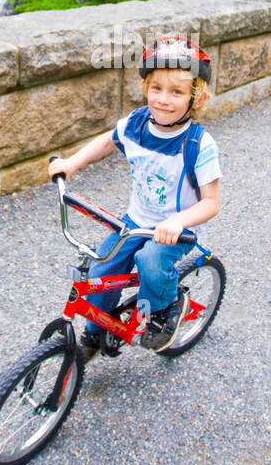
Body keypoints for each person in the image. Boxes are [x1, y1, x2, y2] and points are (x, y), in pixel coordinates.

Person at [47, 36, 221, 357]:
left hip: (176, 230)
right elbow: (106, 142)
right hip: (136, 220)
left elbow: (211, 202)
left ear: (196, 99)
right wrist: (71, 164)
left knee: (150, 261)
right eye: (156, 89)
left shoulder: (199, 145)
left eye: (177, 92)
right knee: (101, 271)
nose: (163, 100)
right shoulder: (138, 123)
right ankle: (95, 335)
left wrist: (178, 221)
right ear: (146, 89)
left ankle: (165, 311)